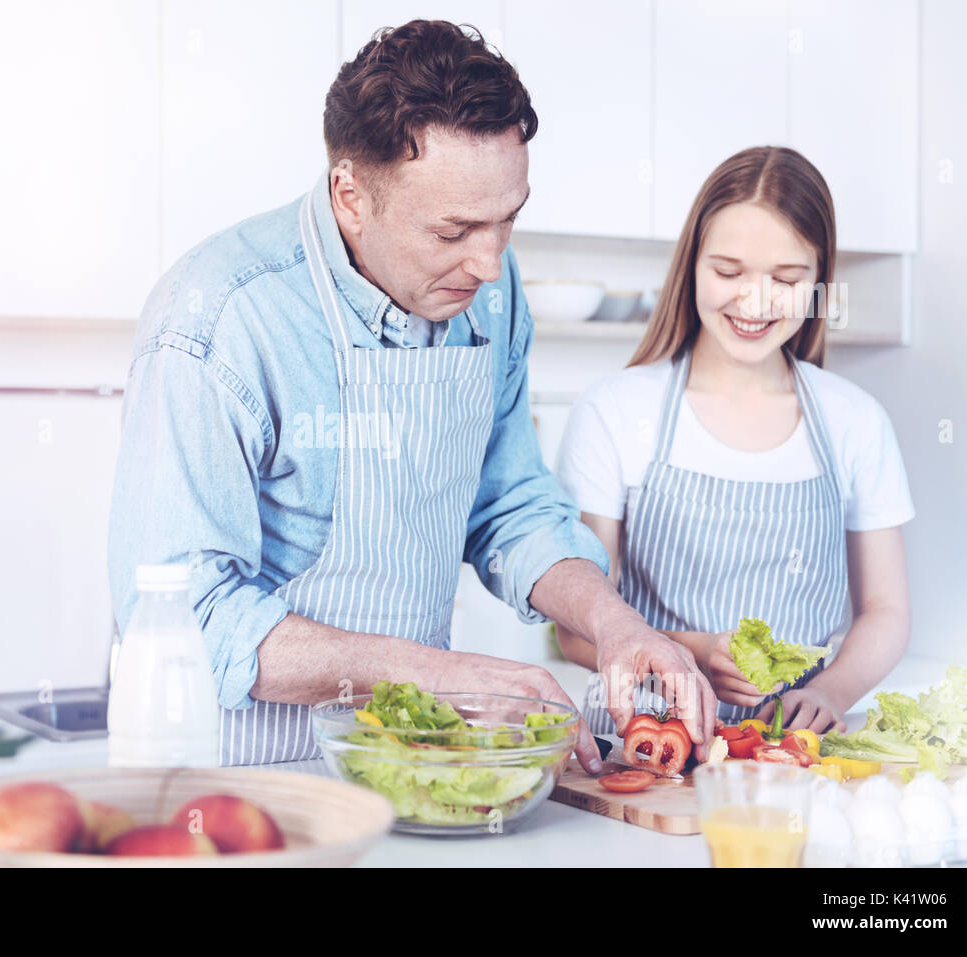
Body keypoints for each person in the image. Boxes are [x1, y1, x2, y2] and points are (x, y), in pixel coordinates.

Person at [108, 20, 716, 769]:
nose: (490, 265)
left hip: (413, 765)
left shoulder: (486, 292)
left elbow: (509, 505)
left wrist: (617, 624)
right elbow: (182, 617)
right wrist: (447, 676)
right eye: (454, 230)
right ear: (352, 196)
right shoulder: (218, 319)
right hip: (245, 776)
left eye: (508, 221)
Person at [554, 146, 914, 735]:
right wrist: (692, 652)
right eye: (728, 272)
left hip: (792, 751)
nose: (754, 300)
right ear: (691, 266)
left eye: (786, 278)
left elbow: (887, 611)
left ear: (819, 282)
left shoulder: (856, 421)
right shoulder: (616, 410)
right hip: (642, 743)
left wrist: (829, 691)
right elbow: (575, 630)